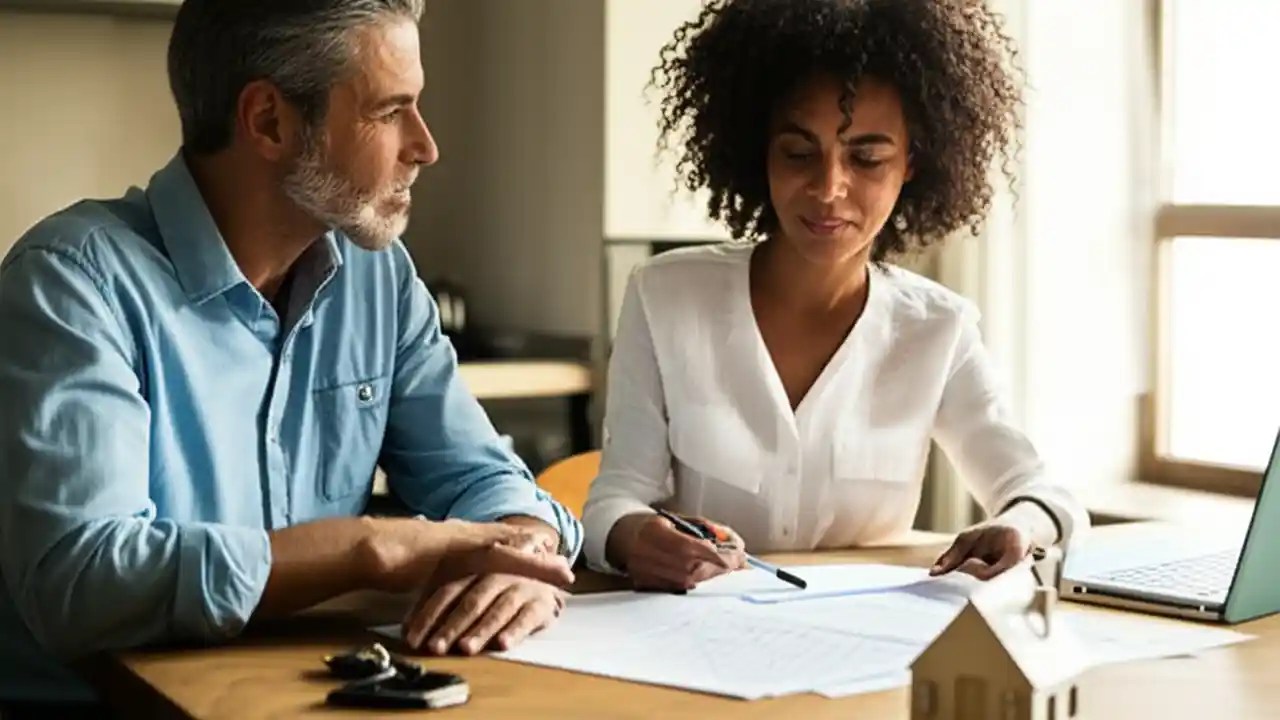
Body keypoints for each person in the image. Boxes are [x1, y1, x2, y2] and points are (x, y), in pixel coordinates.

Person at [0, 1, 581, 713]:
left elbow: (486, 479)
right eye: (391, 110)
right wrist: (371, 548)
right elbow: (81, 582)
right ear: (269, 121)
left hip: (294, 699)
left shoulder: (380, 278)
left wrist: (523, 554)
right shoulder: (71, 282)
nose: (426, 146)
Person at [582, 0, 1089, 591]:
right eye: (798, 154)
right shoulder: (665, 296)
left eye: (867, 159)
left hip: (862, 648)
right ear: (759, 152)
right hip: (693, 633)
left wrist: (1019, 527)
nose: (829, 188)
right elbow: (614, 500)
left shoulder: (939, 329)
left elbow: (1046, 497)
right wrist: (634, 536)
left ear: (911, 165)